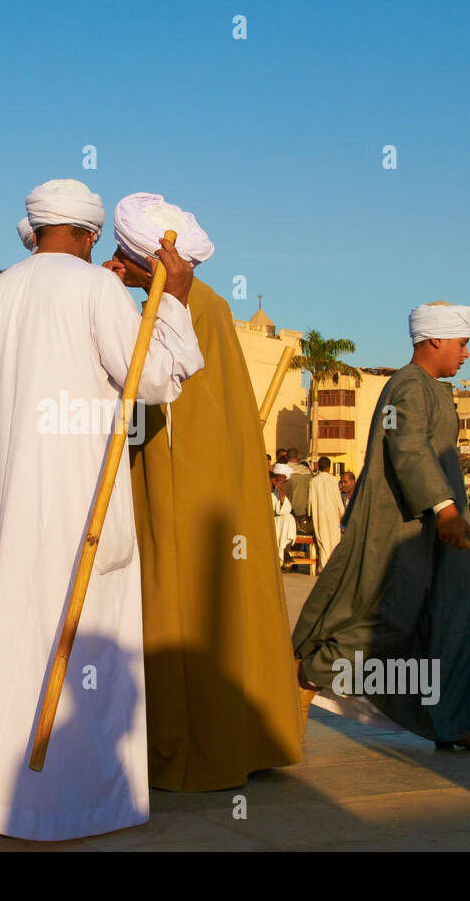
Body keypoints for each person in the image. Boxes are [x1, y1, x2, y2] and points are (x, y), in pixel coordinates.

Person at [0, 178, 203, 840]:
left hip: (10, 507)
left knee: (14, 635)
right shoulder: (96, 290)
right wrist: (171, 301)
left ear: (34, 231)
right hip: (81, 503)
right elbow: (154, 377)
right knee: (91, 641)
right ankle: (84, 804)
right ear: (89, 235)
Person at [109, 192, 300, 792]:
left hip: (185, 480)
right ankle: (246, 738)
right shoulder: (207, 304)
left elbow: (164, 404)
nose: (114, 265)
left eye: (123, 256)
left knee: (180, 596)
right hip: (218, 480)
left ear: (155, 262)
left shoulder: (177, 306)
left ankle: (191, 750)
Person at [292, 301, 470, 753]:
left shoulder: (432, 388)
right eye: (462, 344)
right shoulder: (409, 387)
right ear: (435, 340)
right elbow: (407, 448)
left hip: (442, 533)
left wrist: (452, 516)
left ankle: (459, 719)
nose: (466, 355)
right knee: (389, 619)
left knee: (458, 619)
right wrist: (444, 508)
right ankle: (308, 675)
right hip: (407, 531)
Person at [306, 455, 346, 568]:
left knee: (323, 541)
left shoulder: (313, 481)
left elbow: (310, 500)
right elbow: (338, 499)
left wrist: (309, 513)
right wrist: (342, 513)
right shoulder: (333, 480)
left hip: (319, 515)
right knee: (334, 541)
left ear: (318, 466)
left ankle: (324, 567)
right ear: (329, 467)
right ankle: (332, 567)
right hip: (333, 514)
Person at [271, 463, 297, 566]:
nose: (281, 479)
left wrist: (280, 490)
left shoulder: (278, 492)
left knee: (288, 518)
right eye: (279, 477)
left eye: (283, 477)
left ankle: (284, 550)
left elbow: (286, 508)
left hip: (278, 521)